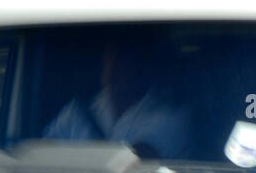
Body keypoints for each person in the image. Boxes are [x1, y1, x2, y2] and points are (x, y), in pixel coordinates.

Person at [44, 39, 192, 159]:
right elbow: (44, 153)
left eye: (124, 60)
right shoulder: (76, 111)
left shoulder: (170, 116)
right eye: (110, 58)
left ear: (143, 67)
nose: (113, 67)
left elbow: (136, 162)